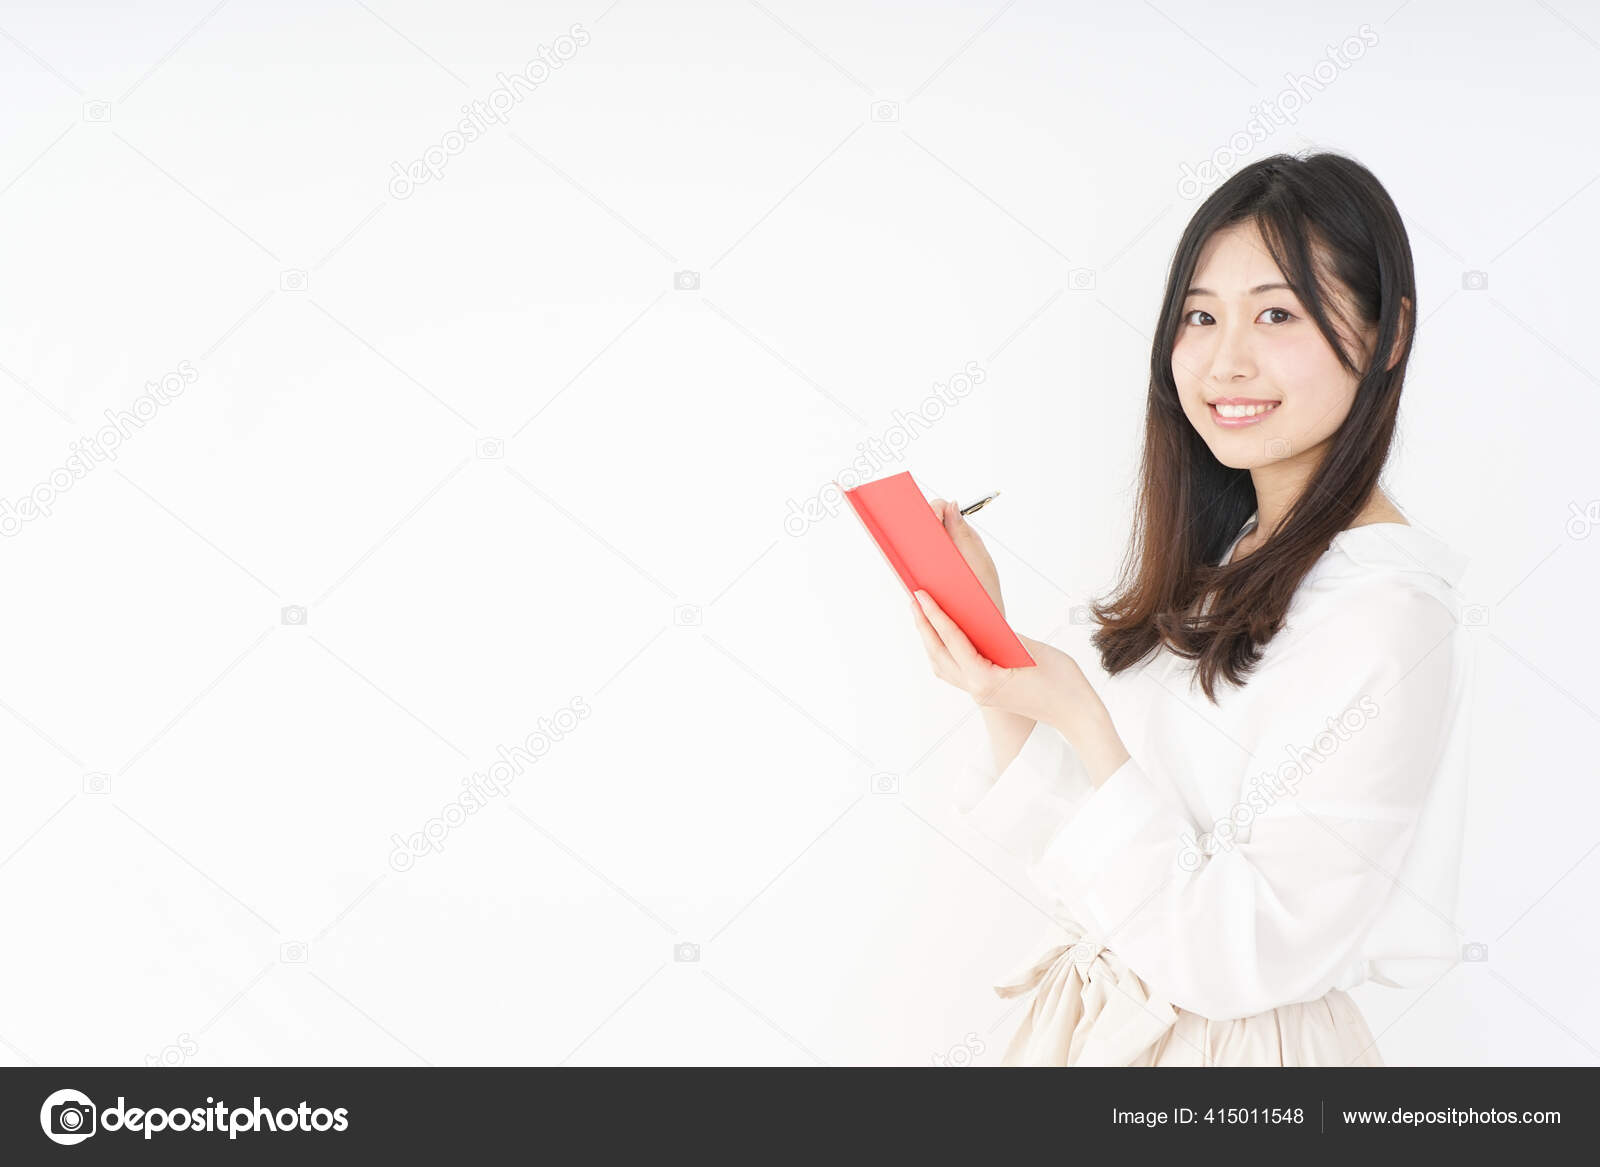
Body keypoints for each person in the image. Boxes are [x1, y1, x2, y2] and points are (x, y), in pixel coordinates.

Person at [910, 151, 1471, 1066]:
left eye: (1277, 313)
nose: (1224, 360)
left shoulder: (1387, 613)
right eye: (1200, 316)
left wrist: (1082, 718)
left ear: (1388, 335)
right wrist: (1000, 668)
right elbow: (1090, 860)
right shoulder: (1237, 558)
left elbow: (1233, 957)